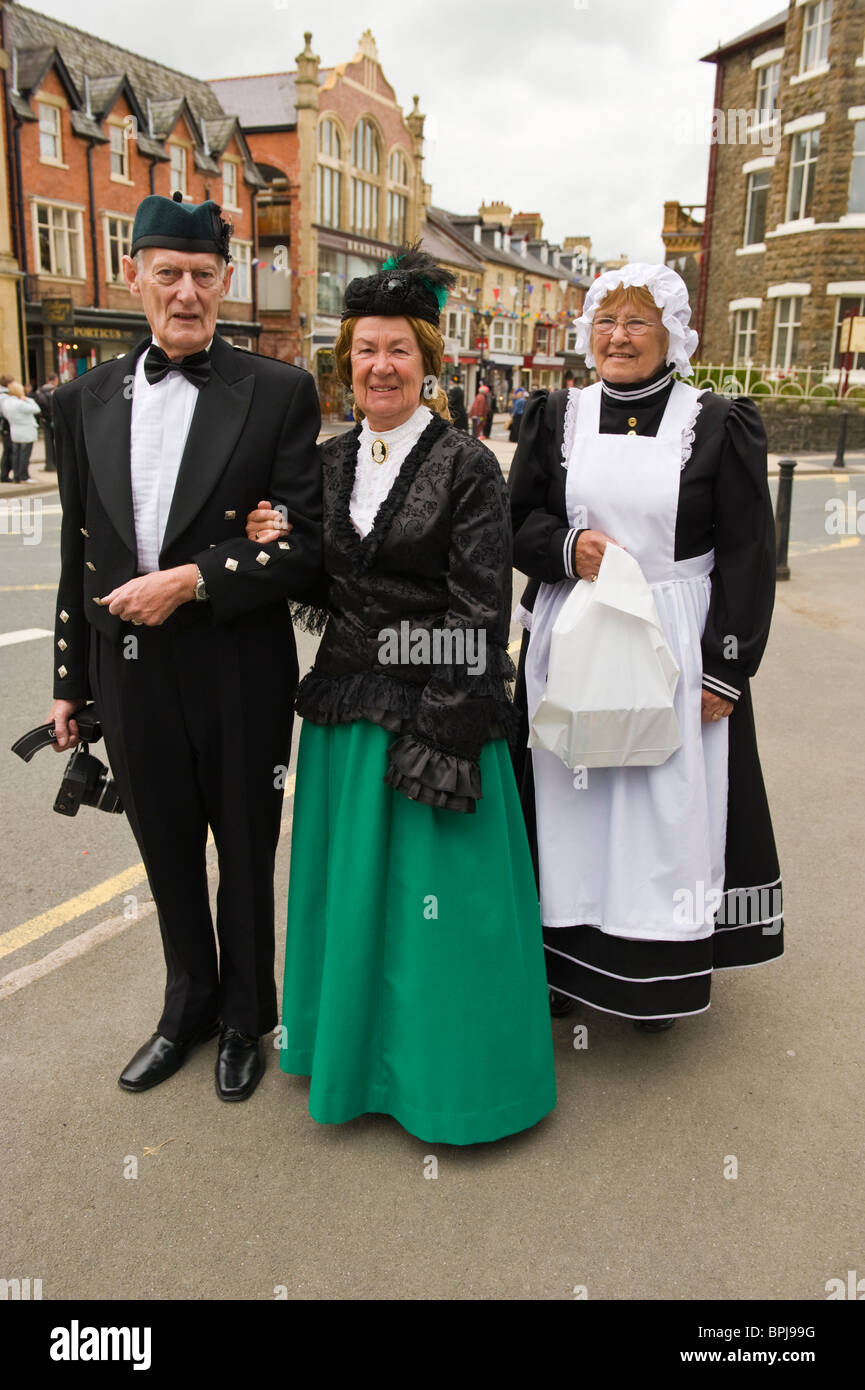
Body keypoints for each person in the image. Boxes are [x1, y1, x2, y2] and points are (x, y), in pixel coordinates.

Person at [247, 245, 555, 1145]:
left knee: (436, 921)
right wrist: (278, 535)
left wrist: (444, 733)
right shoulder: (330, 461)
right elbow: (321, 585)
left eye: (398, 351)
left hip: (435, 714)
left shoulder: (467, 465)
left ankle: (449, 1090)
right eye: (364, 350)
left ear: (428, 363)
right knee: (355, 905)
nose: (379, 366)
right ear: (347, 363)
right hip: (346, 714)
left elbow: (477, 611)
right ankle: (350, 1063)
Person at [47, 192, 322, 1100]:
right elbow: (75, 550)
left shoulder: (278, 390)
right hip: (126, 672)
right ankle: (188, 1007)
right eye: (168, 274)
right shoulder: (83, 399)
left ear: (226, 281)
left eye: (204, 276)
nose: (187, 292)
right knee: (165, 849)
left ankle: (250, 1016)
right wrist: (68, 684)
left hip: (236, 664)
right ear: (136, 278)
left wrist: (197, 578)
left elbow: (301, 544)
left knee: (245, 851)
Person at [509, 262, 783, 1031]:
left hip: (675, 634)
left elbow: (746, 552)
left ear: (671, 335)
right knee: (572, 800)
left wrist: (726, 668)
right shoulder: (554, 415)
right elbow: (515, 522)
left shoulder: (717, 421)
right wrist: (568, 548)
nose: (618, 336)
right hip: (576, 630)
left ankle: (652, 974)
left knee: (660, 807)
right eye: (604, 321)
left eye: (636, 322)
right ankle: (563, 963)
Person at [1, 380, 40, 482]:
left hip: (15, 430)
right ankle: (24, 476)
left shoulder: (7, 402)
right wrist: (27, 399)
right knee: (24, 455)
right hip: (26, 431)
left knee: (16, 455)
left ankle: (17, 476)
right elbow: (36, 409)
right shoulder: (20, 403)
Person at [34, 372, 60, 473]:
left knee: (49, 442)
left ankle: (50, 463)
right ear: (55, 380)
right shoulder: (54, 391)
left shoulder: (40, 391)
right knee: (57, 442)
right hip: (54, 418)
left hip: (45, 419)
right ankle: (55, 462)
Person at [0, 375, 13, 482]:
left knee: (7, 450)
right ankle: (4, 475)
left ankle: (4, 474)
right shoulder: (4, 396)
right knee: (8, 450)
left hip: (4, 426)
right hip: (6, 426)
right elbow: (6, 412)